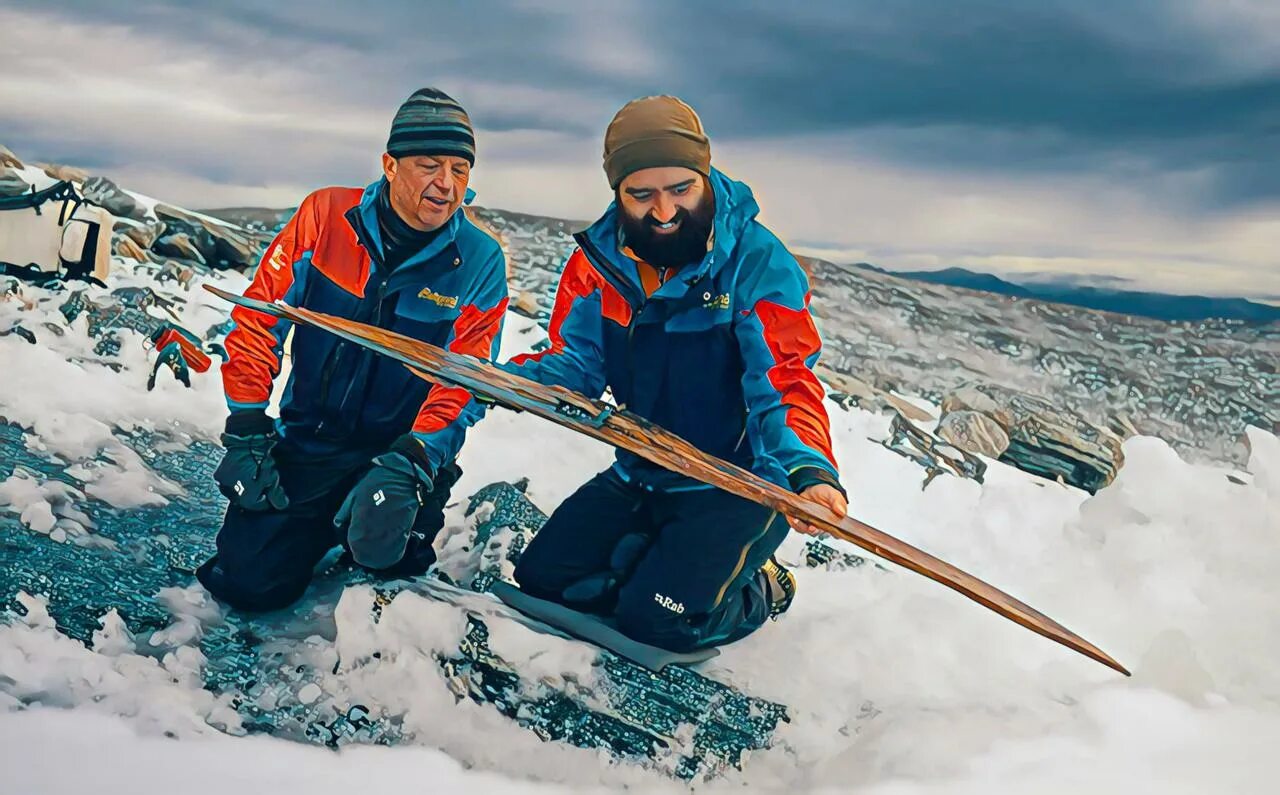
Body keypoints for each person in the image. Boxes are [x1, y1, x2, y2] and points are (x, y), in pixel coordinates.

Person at [504, 96, 847, 651]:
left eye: (681, 189)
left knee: (657, 624)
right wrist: (513, 380)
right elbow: (580, 363)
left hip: (739, 487)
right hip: (643, 470)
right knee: (544, 582)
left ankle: (763, 587)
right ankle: (656, 558)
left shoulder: (756, 264)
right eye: (641, 194)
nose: (663, 211)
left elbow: (784, 378)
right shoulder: (599, 265)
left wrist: (807, 469)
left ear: (705, 175)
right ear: (617, 193)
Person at [197, 88, 508, 612]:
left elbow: (466, 379)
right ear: (390, 164)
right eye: (430, 165)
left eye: (460, 169)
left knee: (383, 562)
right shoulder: (326, 216)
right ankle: (318, 521)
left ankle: (397, 509)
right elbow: (259, 318)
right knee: (246, 584)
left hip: (397, 451)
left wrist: (415, 458)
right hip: (310, 440)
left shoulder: (479, 260)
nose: (446, 185)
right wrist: (247, 428)